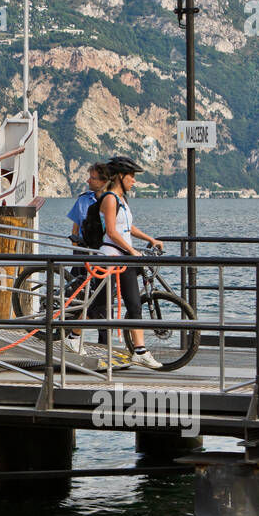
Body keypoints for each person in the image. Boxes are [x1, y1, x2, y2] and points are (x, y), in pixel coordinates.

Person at [97, 155, 163, 369]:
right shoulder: (109, 198)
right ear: (119, 176)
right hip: (112, 257)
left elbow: (127, 228)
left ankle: (140, 351)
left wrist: (149, 239)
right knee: (96, 304)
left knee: (134, 304)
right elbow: (111, 231)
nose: (134, 181)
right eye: (131, 176)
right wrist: (133, 250)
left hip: (124, 257)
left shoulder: (123, 200)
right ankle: (72, 335)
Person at [64, 162, 108, 351]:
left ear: (103, 181)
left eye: (92, 177)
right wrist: (77, 247)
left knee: (103, 296)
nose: (88, 180)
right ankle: (66, 332)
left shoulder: (111, 200)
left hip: (101, 253)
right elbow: (75, 228)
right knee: (75, 291)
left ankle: (104, 341)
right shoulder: (83, 200)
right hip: (83, 252)